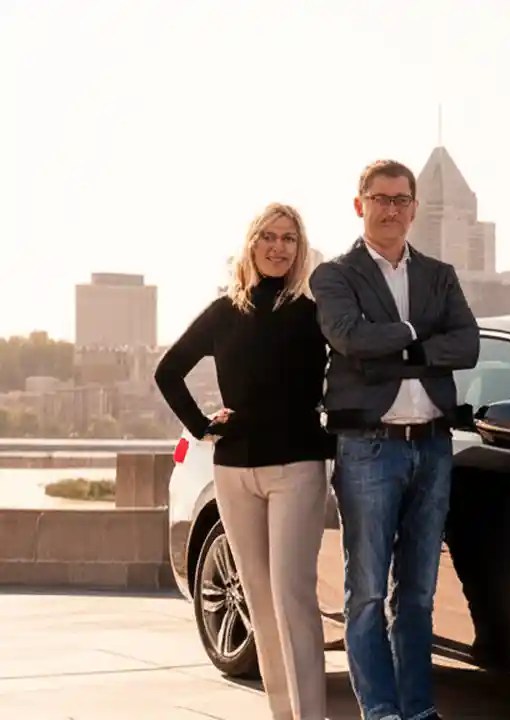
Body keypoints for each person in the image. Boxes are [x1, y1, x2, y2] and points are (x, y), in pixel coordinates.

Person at [311, 159, 479, 720]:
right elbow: (350, 337)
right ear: (360, 205)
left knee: (419, 595)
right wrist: (417, 334)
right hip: (368, 448)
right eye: (380, 199)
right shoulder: (334, 276)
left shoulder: (440, 274)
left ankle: (419, 710)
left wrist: (398, 351)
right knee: (365, 594)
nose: (391, 209)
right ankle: (380, 711)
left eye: (401, 199)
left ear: (414, 207)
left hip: (433, 447)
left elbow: (469, 345)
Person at [154, 202, 334, 720]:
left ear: (300, 249)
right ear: (251, 244)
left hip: (298, 467)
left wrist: (334, 427)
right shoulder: (222, 312)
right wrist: (202, 426)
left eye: (290, 239)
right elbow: (168, 372)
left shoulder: (312, 312)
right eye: (269, 237)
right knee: (258, 599)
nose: (279, 247)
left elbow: (347, 373)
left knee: (292, 596)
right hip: (232, 470)